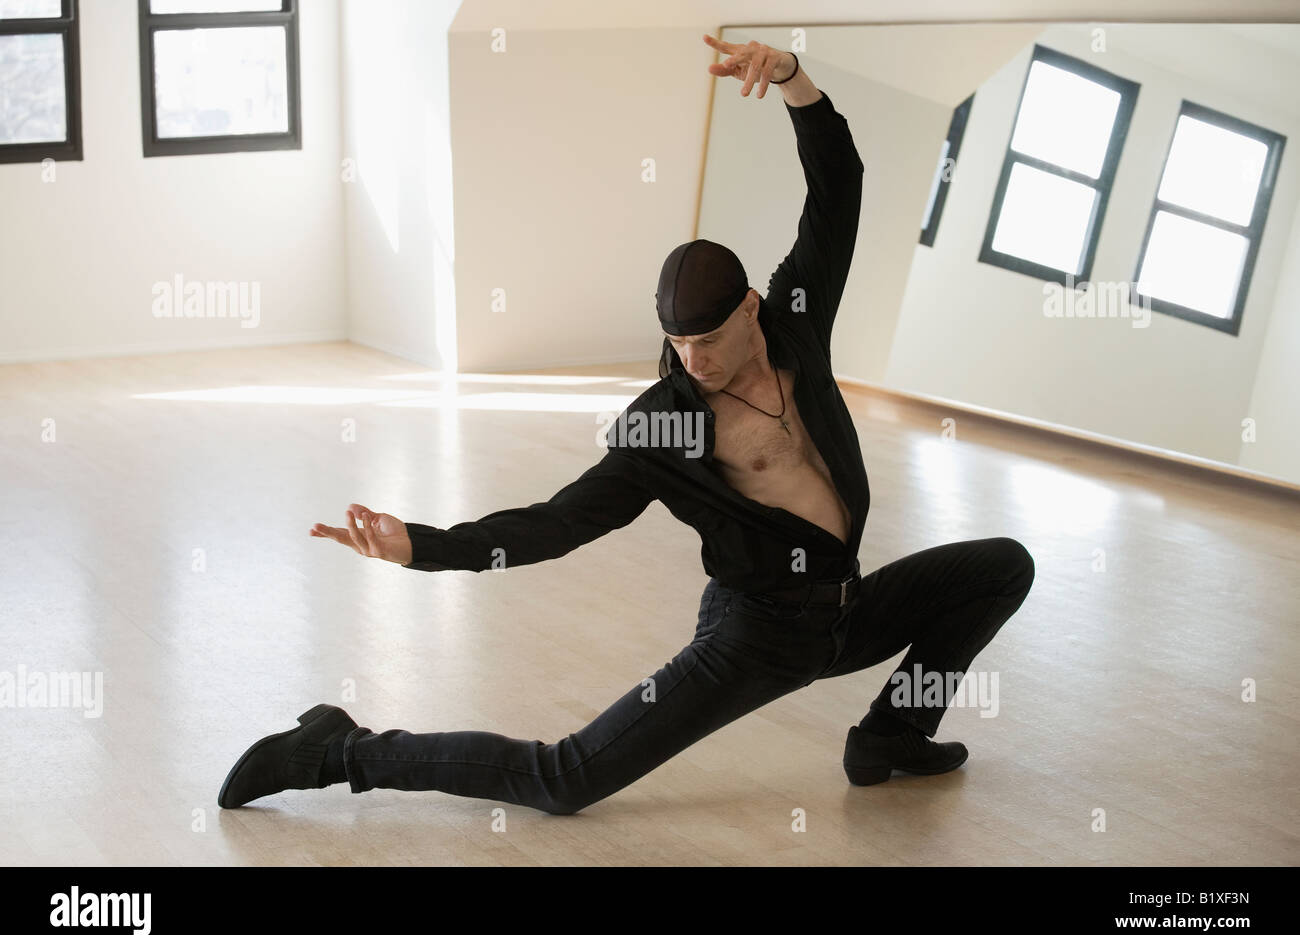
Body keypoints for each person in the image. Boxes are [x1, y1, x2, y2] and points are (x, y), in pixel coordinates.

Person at [218, 35, 1035, 815]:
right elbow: (554, 524)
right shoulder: (662, 428)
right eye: (678, 344)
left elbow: (839, 189)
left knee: (1002, 564)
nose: (694, 360)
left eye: (709, 340)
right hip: (758, 634)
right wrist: (422, 546)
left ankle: (892, 732)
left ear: (752, 308)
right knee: (561, 781)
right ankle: (339, 749)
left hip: (845, 610)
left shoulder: (797, 316)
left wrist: (792, 78)